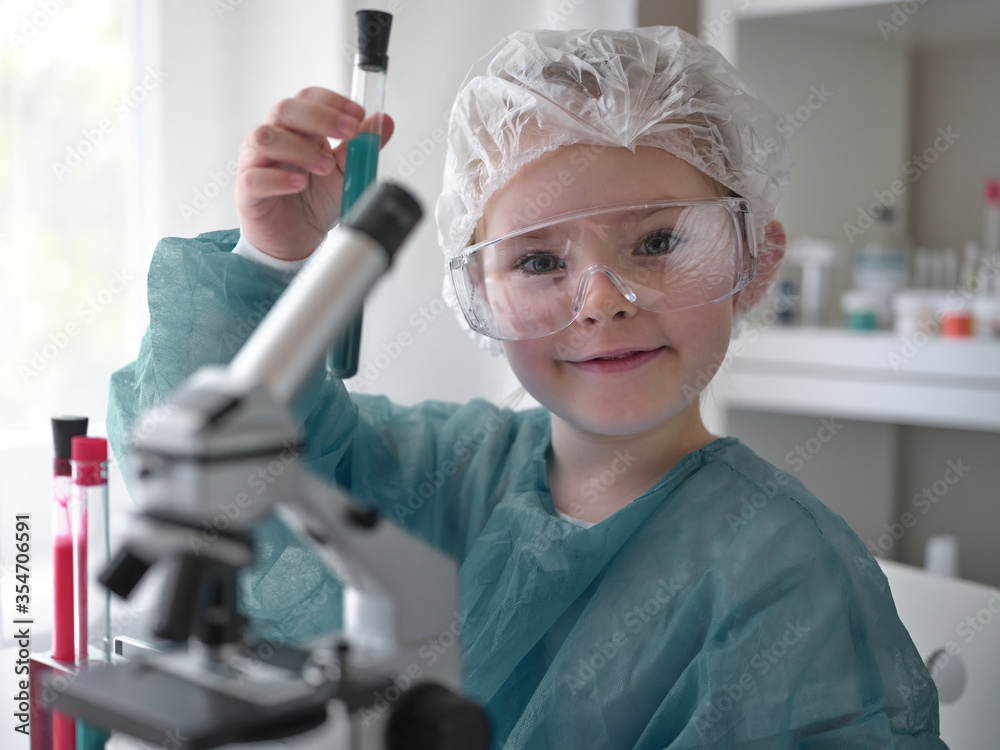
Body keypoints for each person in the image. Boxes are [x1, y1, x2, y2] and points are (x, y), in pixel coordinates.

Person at [107, 26, 947, 749]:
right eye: (541, 261)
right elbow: (217, 460)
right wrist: (274, 258)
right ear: (477, 292)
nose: (603, 300)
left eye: (657, 241)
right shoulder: (442, 473)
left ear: (751, 260)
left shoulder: (786, 582)